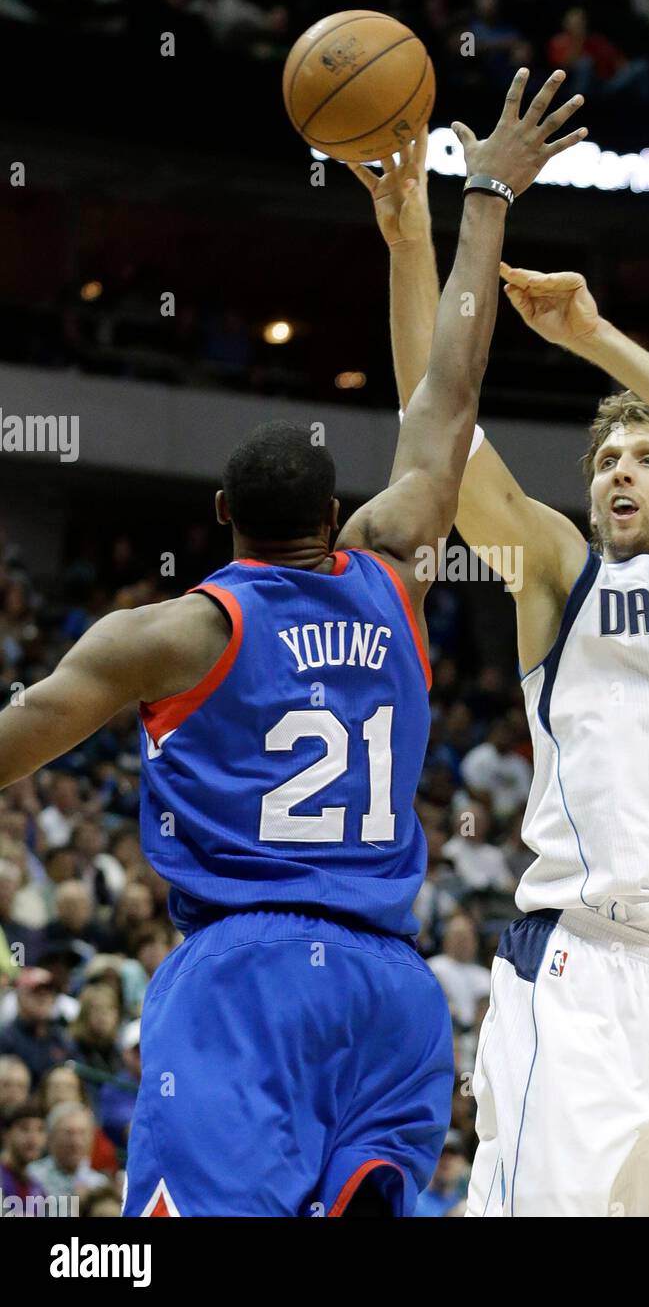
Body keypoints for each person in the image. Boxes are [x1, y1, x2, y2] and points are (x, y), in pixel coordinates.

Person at [0, 69, 586, 1219]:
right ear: (338, 518)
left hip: (245, 982)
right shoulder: (393, 564)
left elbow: (17, 738)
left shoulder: (171, 633)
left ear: (221, 519)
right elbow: (447, 400)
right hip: (392, 993)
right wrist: (477, 202)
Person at [355, 121, 649, 1216]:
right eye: (604, 460)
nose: (616, 473)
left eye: (642, 458)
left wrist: (593, 336)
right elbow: (437, 434)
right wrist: (411, 242)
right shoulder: (557, 573)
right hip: (581, 970)